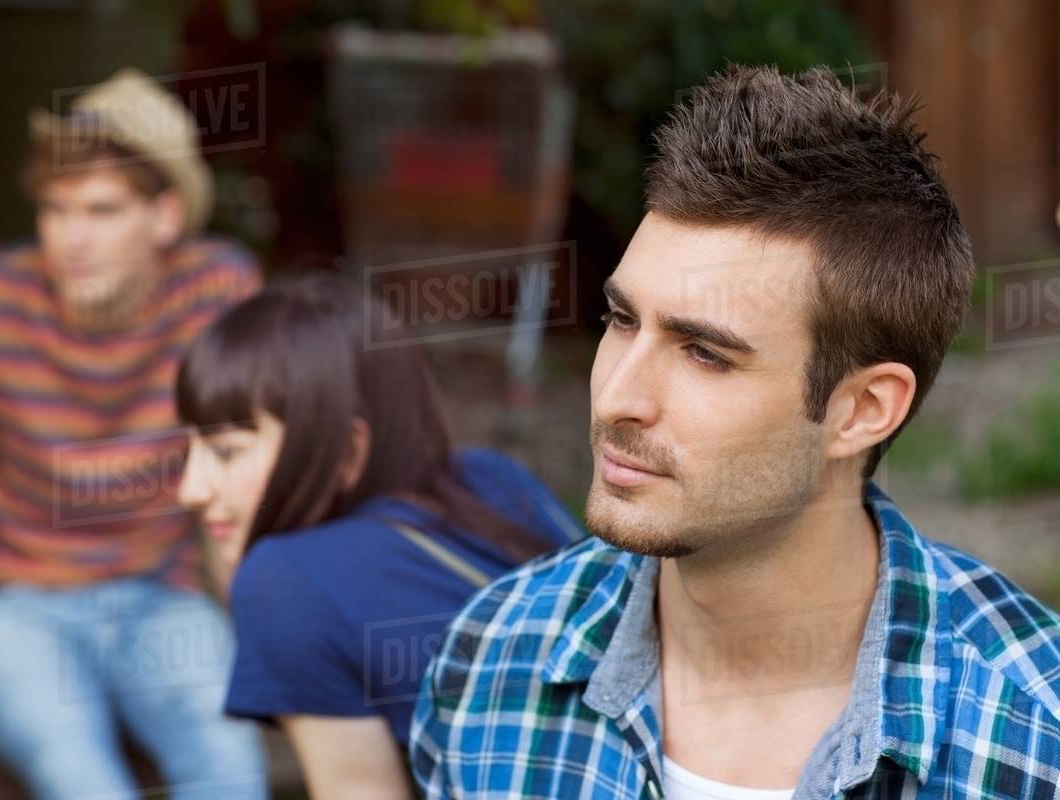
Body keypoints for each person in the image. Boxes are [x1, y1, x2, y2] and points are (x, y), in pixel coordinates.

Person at [410, 64, 1060, 798]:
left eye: (704, 353)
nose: (618, 398)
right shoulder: (491, 665)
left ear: (864, 409)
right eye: (622, 320)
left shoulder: (1034, 734)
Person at [0, 69, 268, 798]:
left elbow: (240, 495)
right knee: (77, 775)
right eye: (55, 209)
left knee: (228, 754)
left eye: (103, 210)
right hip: (13, 611)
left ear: (165, 216)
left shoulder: (217, 292)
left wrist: (281, 642)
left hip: (161, 600)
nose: (71, 237)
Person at [174, 273, 584, 799]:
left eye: (226, 451)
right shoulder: (493, 479)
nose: (189, 488)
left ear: (345, 451)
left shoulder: (283, 583)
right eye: (189, 449)